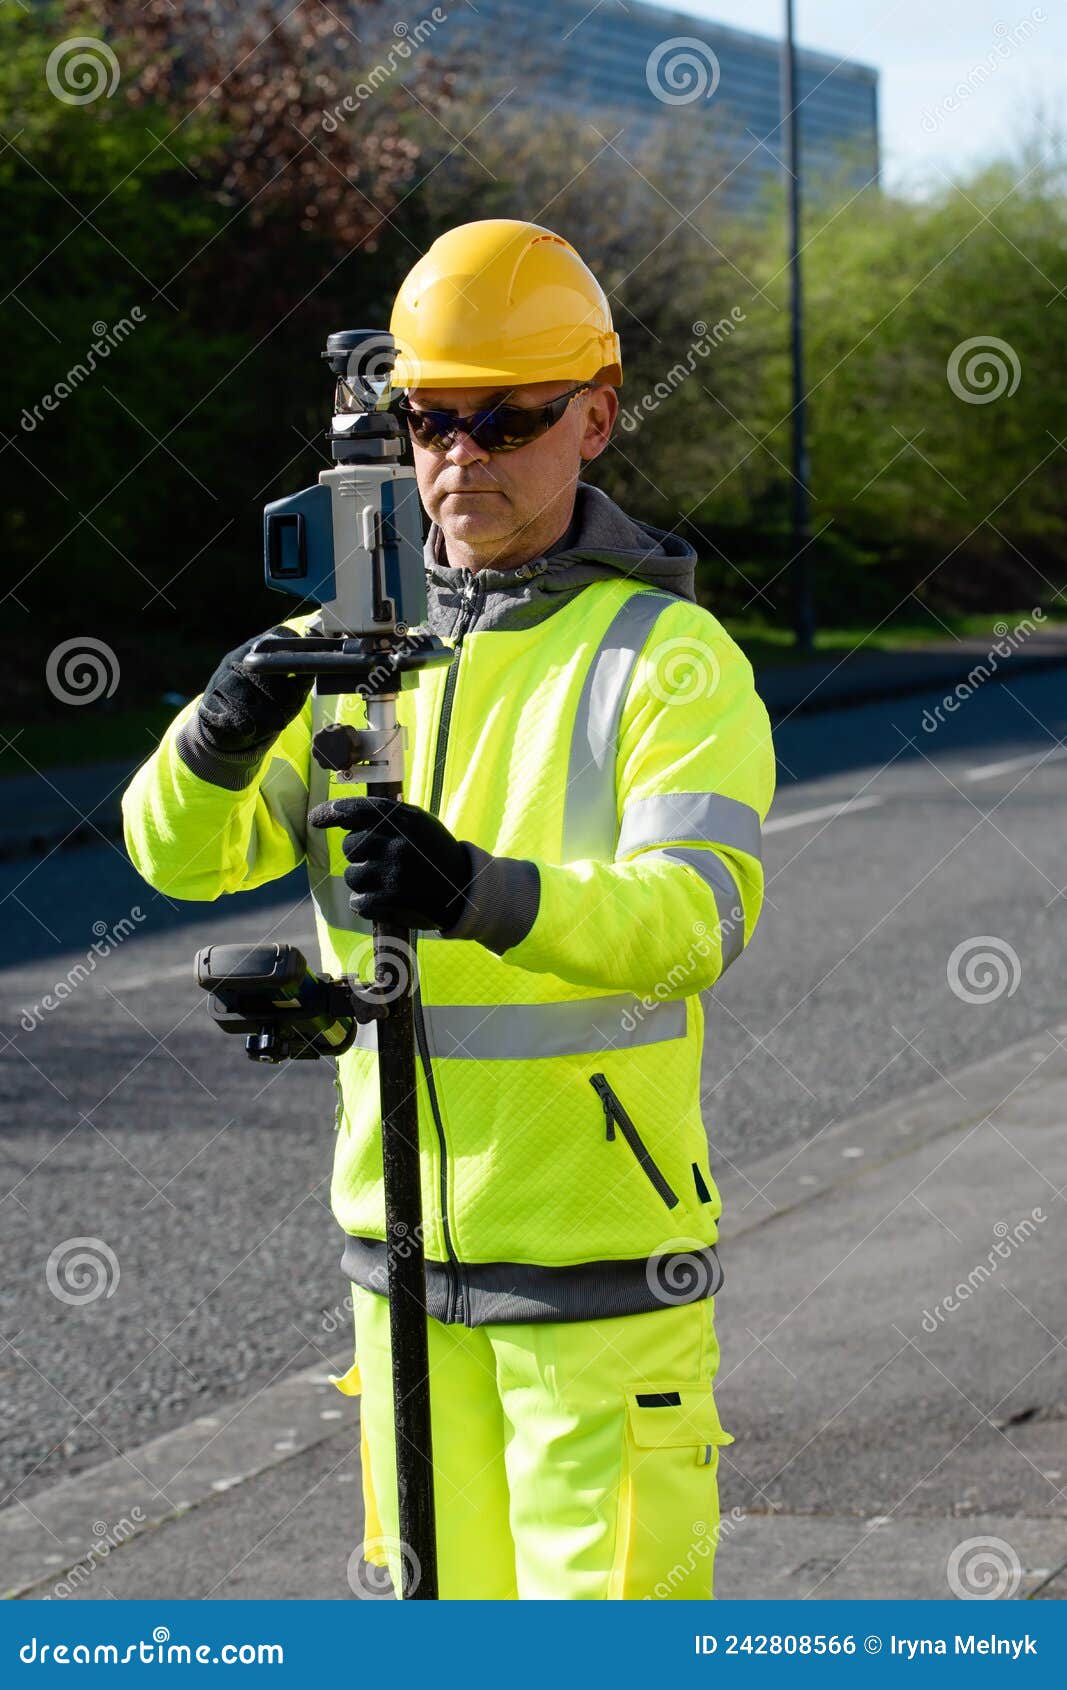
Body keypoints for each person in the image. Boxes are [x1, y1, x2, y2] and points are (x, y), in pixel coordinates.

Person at [122, 218, 776, 1601]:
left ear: (595, 416)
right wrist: (232, 718)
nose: (459, 456)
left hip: (597, 1282)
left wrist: (480, 895)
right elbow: (171, 855)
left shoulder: (669, 658)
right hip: (400, 1276)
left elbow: (695, 917)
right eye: (430, 419)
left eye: (508, 418)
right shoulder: (338, 647)